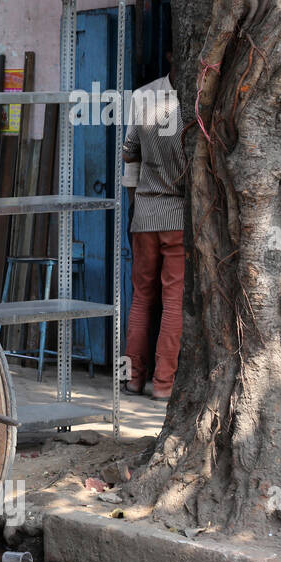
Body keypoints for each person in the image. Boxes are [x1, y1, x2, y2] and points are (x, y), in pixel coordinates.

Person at [123, 62, 184, 401]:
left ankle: (133, 378)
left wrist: (138, 202)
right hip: (177, 217)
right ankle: (163, 384)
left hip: (144, 215)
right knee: (173, 300)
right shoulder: (195, 105)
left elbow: (129, 153)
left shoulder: (143, 97)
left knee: (143, 298)